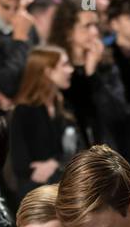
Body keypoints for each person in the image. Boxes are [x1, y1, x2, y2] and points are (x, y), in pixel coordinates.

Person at [48, 0, 129, 153]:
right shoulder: (56, 68)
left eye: (96, 25)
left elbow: (118, 114)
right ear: (68, 31)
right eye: (87, 26)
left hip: (103, 152)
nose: (94, 32)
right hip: (69, 153)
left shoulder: (106, 66)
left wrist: (92, 74)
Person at [7, 46, 77, 199]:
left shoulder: (64, 105)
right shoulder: (23, 111)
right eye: (65, 65)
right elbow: (21, 165)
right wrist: (58, 163)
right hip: (38, 196)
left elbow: (76, 149)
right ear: (48, 72)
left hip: (66, 186)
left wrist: (54, 163)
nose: (71, 70)